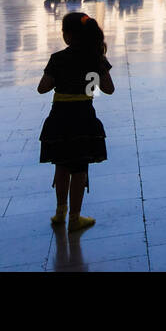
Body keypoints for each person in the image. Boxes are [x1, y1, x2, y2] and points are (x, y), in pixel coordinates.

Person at [37, 13, 113, 232]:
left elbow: (43, 87)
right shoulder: (96, 59)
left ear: (68, 36)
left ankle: (60, 212)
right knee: (80, 169)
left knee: (61, 166)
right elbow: (109, 89)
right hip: (84, 117)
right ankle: (75, 217)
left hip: (59, 117)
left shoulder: (57, 58)